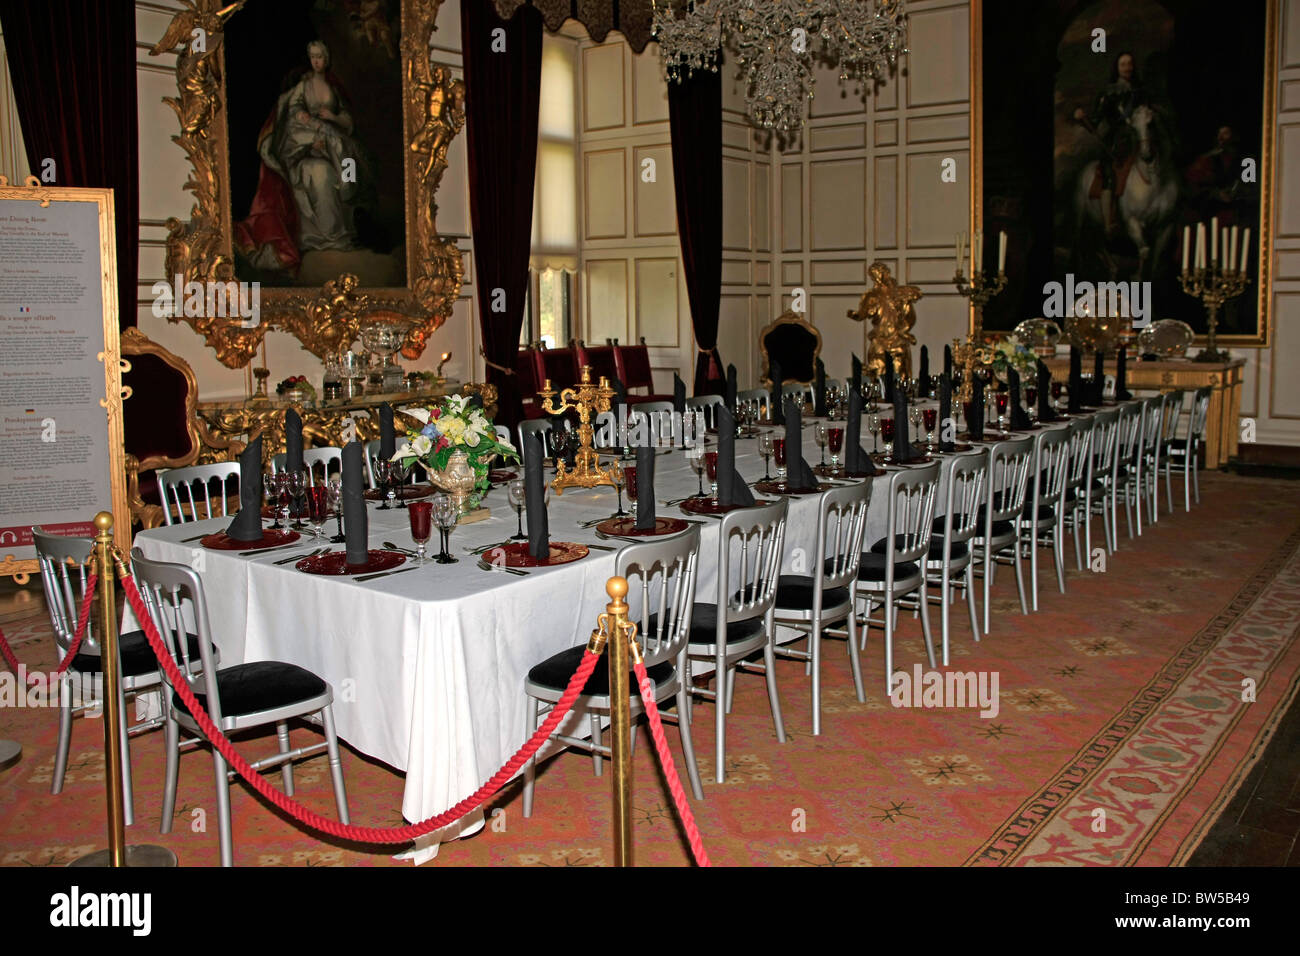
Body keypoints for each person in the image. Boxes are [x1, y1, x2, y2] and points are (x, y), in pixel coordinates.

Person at [235, 40, 372, 275]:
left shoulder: (333, 89)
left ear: (326, 59)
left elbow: (347, 120)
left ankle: (346, 201)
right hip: (305, 150)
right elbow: (291, 114)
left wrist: (332, 117)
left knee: (346, 160)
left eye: (320, 56)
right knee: (320, 174)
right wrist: (309, 137)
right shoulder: (303, 87)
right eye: (313, 56)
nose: (317, 61)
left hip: (332, 138)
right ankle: (320, 238)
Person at [1072, 51, 1149, 238]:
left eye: (1130, 64)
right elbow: (1096, 120)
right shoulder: (1108, 93)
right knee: (1108, 174)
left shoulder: (1140, 91)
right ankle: (1109, 223)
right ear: (1117, 68)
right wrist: (1083, 118)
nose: (1127, 68)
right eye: (1123, 64)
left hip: (1138, 138)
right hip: (1116, 142)